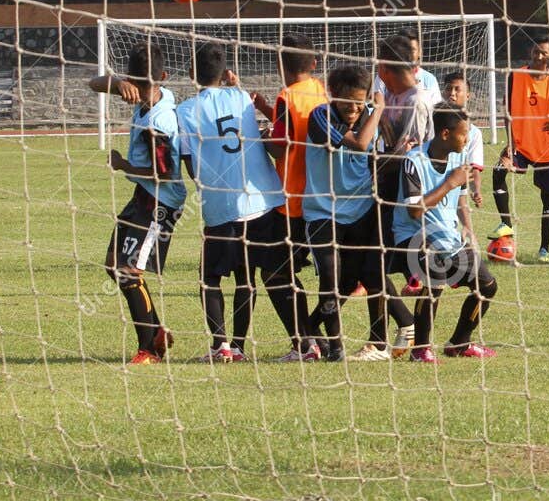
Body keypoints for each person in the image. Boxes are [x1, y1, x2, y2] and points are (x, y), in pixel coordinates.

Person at [175, 43, 303, 363]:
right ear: (225, 73)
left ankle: (221, 347)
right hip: (259, 201)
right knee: (247, 277)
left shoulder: (186, 111)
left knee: (209, 278)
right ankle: (240, 346)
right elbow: (246, 105)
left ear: (192, 73)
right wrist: (236, 83)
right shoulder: (242, 98)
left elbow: (190, 163)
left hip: (222, 205)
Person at [301, 63, 419, 363]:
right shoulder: (321, 116)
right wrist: (377, 110)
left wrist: (402, 153)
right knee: (331, 277)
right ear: (333, 95)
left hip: (362, 210)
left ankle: (314, 329)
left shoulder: (373, 117)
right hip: (323, 211)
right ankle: (336, 347)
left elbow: (380, 157)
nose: (353, 107)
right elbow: (359, 144)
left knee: (357, 279)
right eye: (347, 100)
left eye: (359, 100)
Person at [90, 45, 184, 365]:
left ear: (161, 79)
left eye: (145, 86)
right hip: (142, 196)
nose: (139, 93)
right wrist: (118, 85)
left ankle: (150, 348)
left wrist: (123, 165)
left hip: (160, 202)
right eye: (135, 84)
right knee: (112, 262)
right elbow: (93, 83)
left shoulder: (160, 121)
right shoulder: (146, 95)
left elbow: (166, 173)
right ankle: (156, 331)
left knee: (129, 271)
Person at [359, 32, 440, 359]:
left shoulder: (417, 102)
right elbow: (392, 146)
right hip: (384, 189)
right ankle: (398, 328)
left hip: (404, 199)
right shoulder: (390, 96)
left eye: (380, 66)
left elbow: (411, 161)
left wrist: (375, 160)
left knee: (375, 266)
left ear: (388, 67)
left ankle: (391, 339)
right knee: (368, 266)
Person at [395, 104, 498, 360]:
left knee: (487, 286)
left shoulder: (459, 160)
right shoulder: (413, 161)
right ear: (445, 134)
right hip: (412, 236)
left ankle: (459, 343)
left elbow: (460, 197)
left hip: (447, 236)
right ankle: (420, 349)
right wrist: (450, 182)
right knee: (436, 272)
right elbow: (415, 211)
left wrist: (467, 228)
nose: (467, 139)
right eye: (463, 134)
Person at [267, 33, 329, 360]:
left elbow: (281, 144)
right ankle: (316, 338)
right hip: (321, 194)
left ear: (281, 64)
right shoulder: (320, 90)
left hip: (291, 201)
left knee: (277, 275)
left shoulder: (287, 97)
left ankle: (304, 343)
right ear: (314, 62)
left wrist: (255, 142)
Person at [491, 32, 549, 263]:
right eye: (536, 52)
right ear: (530, 52)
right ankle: (506, 224)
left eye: (544, 53)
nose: (540, 56)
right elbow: (507, 111)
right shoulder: (516, 76)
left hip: (546, 149)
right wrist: (510, 144)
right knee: (498, 172)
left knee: (547, 197)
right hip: (519, 146)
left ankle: (544, 250)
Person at [443, 72, 487, 220]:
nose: (452, 93)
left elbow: (473, 169)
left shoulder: (474, 133)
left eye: (457, 89)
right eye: (449, 89)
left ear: (468, 95)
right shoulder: (431, 123)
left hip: (454, 195)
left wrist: (476, 191)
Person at [408, 30, 442, 95]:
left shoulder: (429, 79)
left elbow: (436, 104)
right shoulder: (386, 78)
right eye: (404, 49)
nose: (407, 54)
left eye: (412, 50)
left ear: (420, 52)